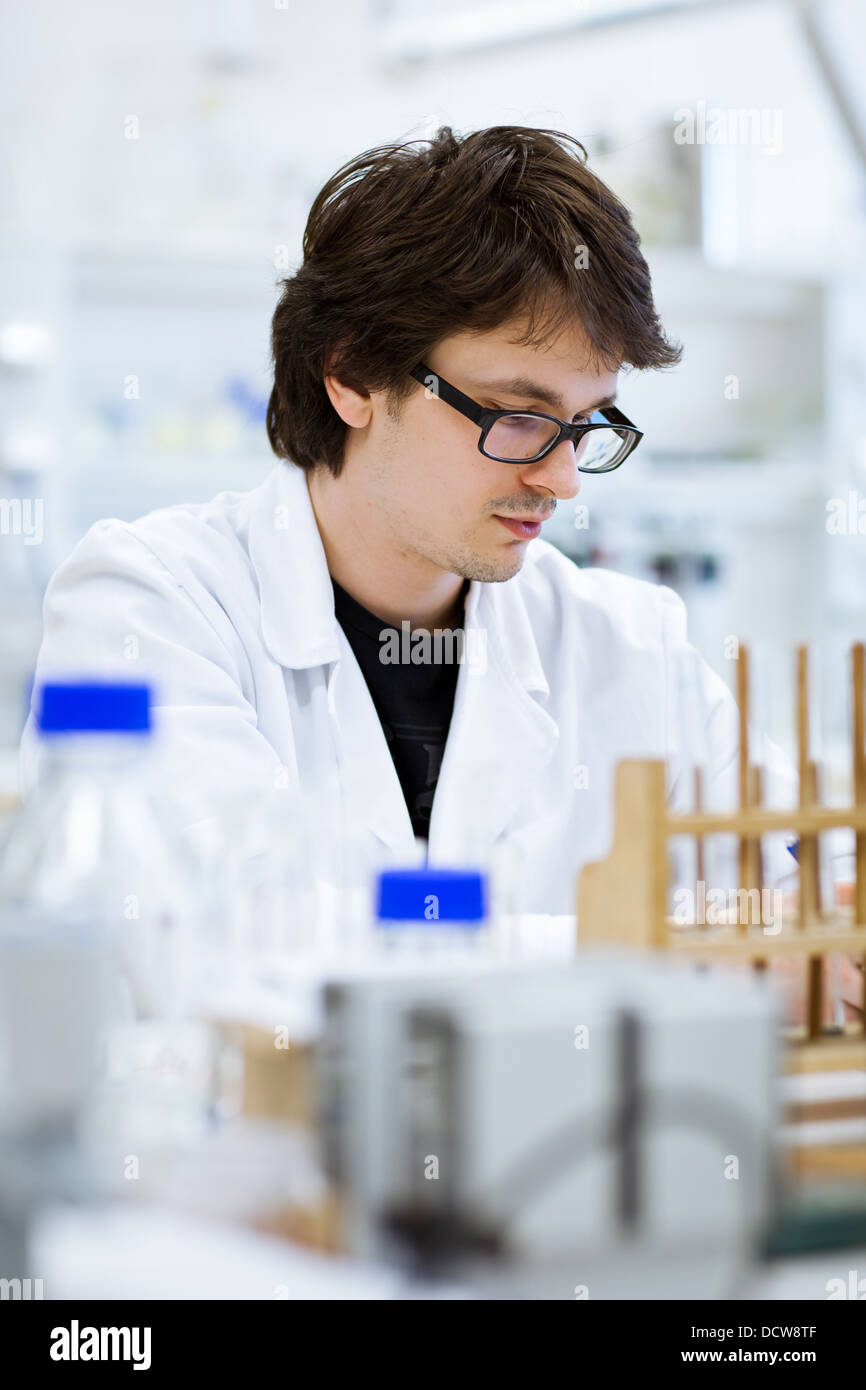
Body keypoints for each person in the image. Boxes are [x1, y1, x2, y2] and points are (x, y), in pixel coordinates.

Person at [15, 126, 823, 949]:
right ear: (353, 375)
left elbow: (796, 899)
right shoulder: (150, 604)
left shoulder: (629, 645)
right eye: (519, 416)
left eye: (585, 425)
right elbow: (203, 939)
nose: (563, 480)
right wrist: (672, 955)